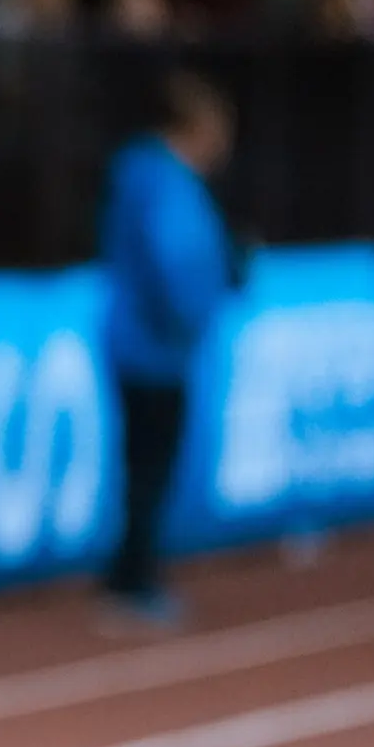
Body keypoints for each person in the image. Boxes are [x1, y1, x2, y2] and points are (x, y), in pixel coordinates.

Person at [97, 69, 238, 632]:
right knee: (151, 465)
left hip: (142, 342)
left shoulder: (147, 176)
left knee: (144, 464)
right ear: (199, 128)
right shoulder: (168, 184)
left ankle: (129, 574)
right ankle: (134, 579)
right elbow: (174, 264)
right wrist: (195, 312)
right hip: (154, 349)